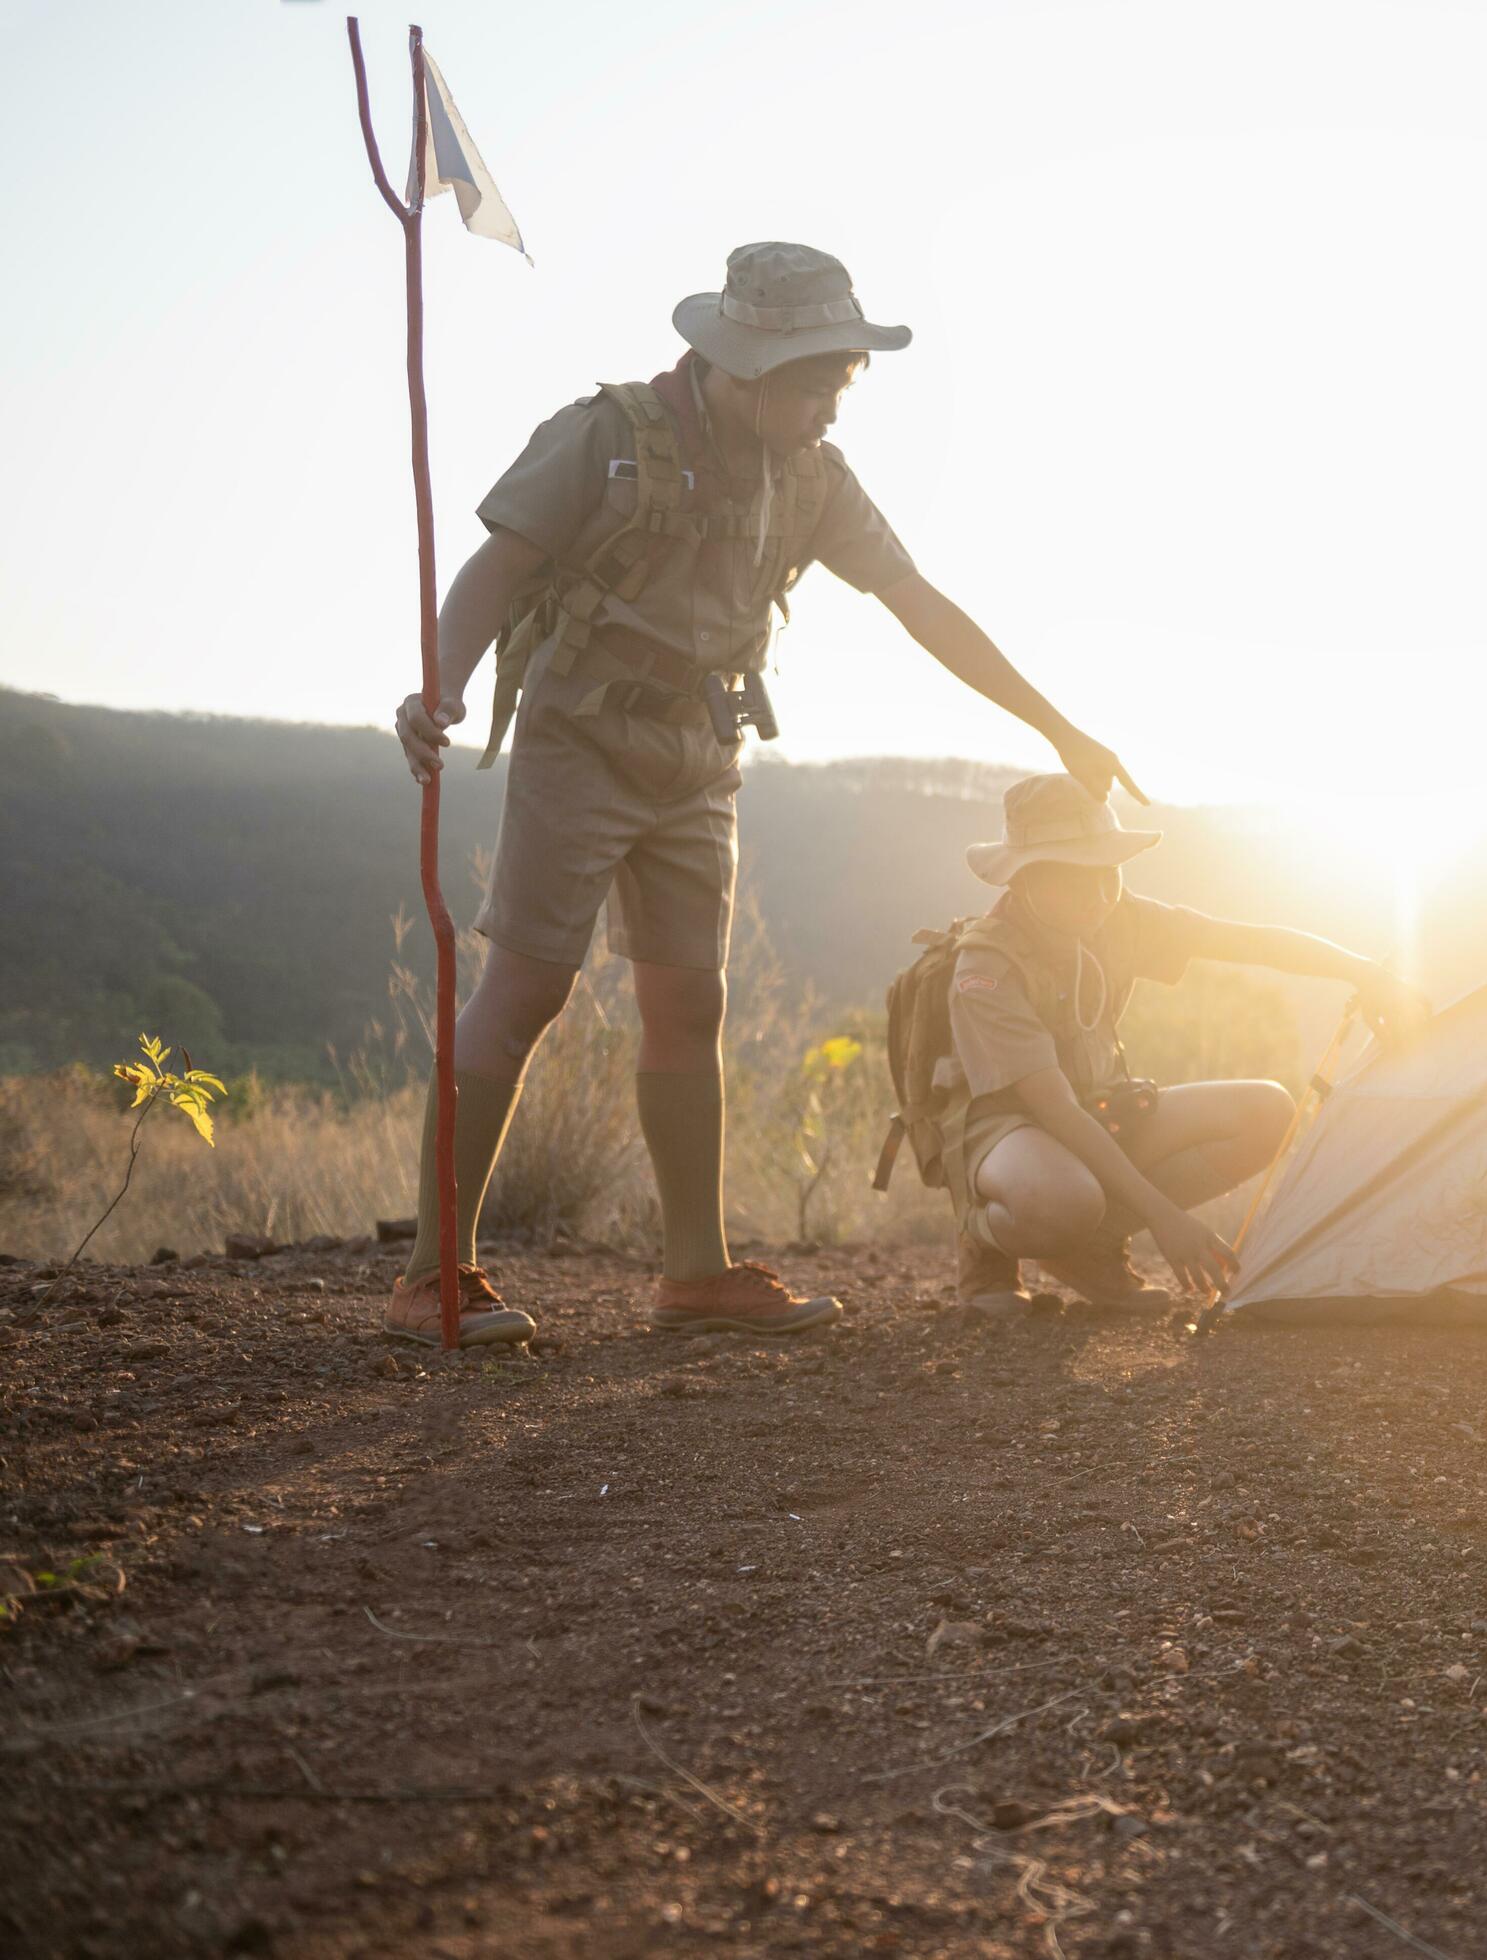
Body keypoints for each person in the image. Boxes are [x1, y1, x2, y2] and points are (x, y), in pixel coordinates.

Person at [384, 242, 1140, 1348]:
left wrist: (1057, 728)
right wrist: (439, 684)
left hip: (699, 752)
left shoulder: (813, 477)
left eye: (842, 380)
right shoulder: (604, 436)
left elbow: (917, 602)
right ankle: (432, 1277)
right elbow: (495, 568)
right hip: (581, 736)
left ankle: (695, 1274)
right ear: (746, 369)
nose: (835, 404)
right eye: (818, 382)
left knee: (690, 1004)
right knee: (529, 989)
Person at [932, 774, 1430, 1316]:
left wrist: (1361, 972)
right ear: (1024, 880)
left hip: (1096, 1112)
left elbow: (1243, 940)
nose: (1099, 894)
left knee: (1267, 1112)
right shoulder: (986, 966)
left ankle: (1089, 1247)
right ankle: (983, 1235)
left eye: (1110, 873)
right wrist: (1166, 1217)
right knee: (1065, 1200)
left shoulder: (1117, 918)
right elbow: (1051, 1107)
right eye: (1076, 877)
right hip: (1008, 1132)